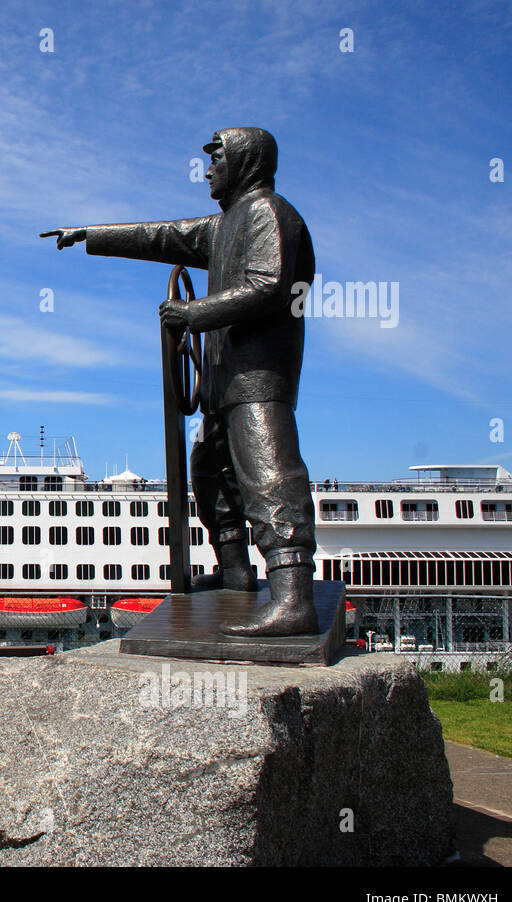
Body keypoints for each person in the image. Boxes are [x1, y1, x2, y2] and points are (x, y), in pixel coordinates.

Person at [41, 127, 319, 636]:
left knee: (269, 474)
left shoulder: (269, 214)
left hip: (257, 376)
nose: (208, 169)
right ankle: (237, 574)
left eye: (216, 158)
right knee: (211, 473)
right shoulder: (227, 224)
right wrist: (92, 236)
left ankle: (294, 595)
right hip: (222, 380)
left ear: (244, 160)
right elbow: (165, 236)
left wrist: (193, 313)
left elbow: (269, 288)